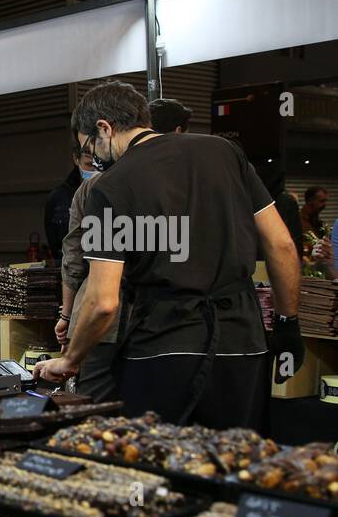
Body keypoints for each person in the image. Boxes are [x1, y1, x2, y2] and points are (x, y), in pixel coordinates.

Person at [34, 81, 302, 430]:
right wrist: (288, 323)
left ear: (104, 128)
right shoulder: (225, 152)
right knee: (236, 463)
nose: (94, 156)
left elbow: (102, 302)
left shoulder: (111, 187)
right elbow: (281, 245)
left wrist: (70, 359)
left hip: (163, 347)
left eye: (90, 145)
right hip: (243, 343)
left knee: (158, 467)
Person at [54, 156, 119, 401]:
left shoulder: (92, 188)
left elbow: (74, 257)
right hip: (155, 327)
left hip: (100, 325)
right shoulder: (161, 179)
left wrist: (67, 316)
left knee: (92, 408)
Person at [43, 144, 94, 259]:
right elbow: (55, 245)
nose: (94, 170)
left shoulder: (112, 192)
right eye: (89, 165)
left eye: (98, 165)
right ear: (76, 159)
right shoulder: (59, 198)